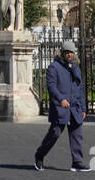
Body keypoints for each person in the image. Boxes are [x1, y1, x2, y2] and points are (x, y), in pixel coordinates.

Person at [34, 40, 89, 172]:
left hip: (75, 107)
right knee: (55, 133)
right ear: (62, 53)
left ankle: (77, 162)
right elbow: (51, 86)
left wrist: (83, 108)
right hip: (61, 107)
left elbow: (79, 88)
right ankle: (40, 154)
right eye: (67, 52)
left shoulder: (75, 67)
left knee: (77, 134)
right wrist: (61, 99)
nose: (69, 54)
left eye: (71, 52)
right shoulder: (54, 67)